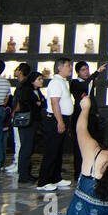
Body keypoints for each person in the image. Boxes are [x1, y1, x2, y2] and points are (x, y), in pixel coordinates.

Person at [36, 57, 74, 192]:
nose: (70, 68)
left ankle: (55, 177)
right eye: (68, 65)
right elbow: (54, 102)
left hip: (62, 118)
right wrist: (60, 121)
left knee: (58, 150)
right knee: (51, 150)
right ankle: (43, 181)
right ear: (60, 68)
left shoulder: (63, 82)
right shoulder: (56, 83)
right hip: (55, 119)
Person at [68, 60, 107, 180]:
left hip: (92, 117)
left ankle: (92, 169)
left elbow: (92, 99)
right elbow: (83, 87)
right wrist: (96, 73)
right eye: (83, 70)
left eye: (87, 69)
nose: (86, 72)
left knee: (94, 143)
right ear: (78, 72)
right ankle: (78, 172)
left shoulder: (90, 83)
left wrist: (96, 113)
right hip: (80, 116)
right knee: (79, 144)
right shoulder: (74, 83)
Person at [12, 67, 45, 183]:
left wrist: (39, 103)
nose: (42, 81)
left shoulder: (36, 91)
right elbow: (30, 103)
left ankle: (27, 173)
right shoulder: (27, 90)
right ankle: (23, 175)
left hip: (33, 122)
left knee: (29, 148)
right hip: (27, 123)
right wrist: (37, 103)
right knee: (26, 148)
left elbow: (42, 102)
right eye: (39, 79)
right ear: (33, 80)